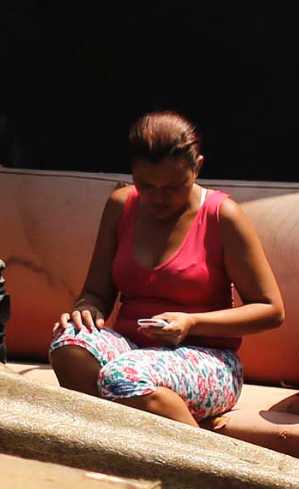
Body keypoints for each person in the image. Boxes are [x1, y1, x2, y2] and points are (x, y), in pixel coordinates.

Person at [48, 111, 284, 427]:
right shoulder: (121, 206)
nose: (158, 199)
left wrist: (191, 322)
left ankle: (202, 462)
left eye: (173, 187)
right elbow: (95, 293)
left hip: (209, 360)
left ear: (197, 167)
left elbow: (270, 310)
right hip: (133, 349)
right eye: (146, 186)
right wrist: (85, 309)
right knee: (68, 346)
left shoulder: (222, 216)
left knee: (122, 377)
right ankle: (113, 450)